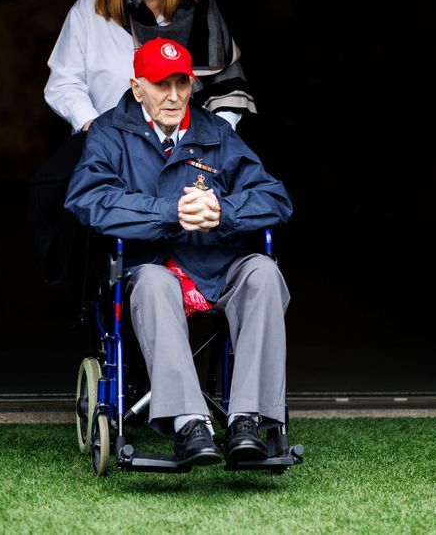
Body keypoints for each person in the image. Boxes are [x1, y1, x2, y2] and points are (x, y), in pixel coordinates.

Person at [65, 38, 291, 467]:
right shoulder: (111, 133)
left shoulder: (215, 132)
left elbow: (275, 198)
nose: (173, 96)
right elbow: (89, 200)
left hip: (217, 262)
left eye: (182, 84)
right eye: (160, 84)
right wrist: (171, 212)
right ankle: (191, 424)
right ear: (137, 87)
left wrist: (224, 211)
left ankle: (246, 420)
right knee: (151, 282)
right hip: (150, 266)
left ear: (192, 85)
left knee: (263, 272)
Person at [45, 0, 255, 134]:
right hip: (112, 152)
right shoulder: (90, 10)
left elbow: (229, 90)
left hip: (190, 156)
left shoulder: (201, 9)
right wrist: (96, 129)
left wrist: (211, 141)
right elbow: (64, 83)